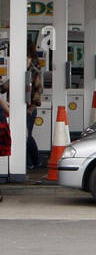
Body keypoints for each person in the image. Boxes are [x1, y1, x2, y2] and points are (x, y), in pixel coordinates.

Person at [26, 43, 44, 171]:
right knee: (27, 135)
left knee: (27, 136)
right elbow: (6, 86)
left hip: (29, 109)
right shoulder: (24, 71)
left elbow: (39, 90)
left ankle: (33, 161)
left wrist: (31, 109)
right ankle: (34, 161)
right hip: (25, 108)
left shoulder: (33, 72)